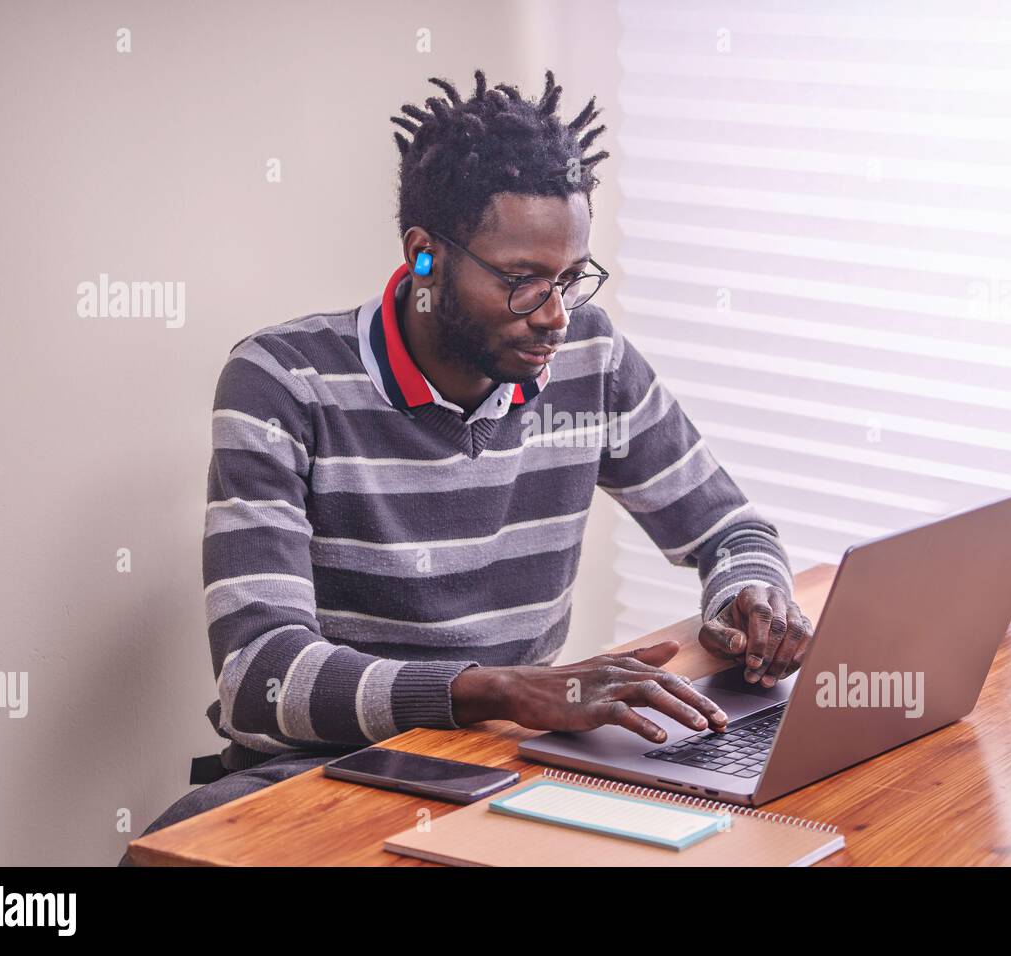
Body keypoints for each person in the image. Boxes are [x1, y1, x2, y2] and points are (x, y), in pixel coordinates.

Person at [119, 68, 814, 866]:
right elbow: (260, 677)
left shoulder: (591, 356)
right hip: (330, 772)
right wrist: (499, 688)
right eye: (520, 281)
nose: (554, 315)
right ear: (424, 258)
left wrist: (752, 593)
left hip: (503, 762)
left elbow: (731, 528)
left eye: (570, 277)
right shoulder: (283, 383)